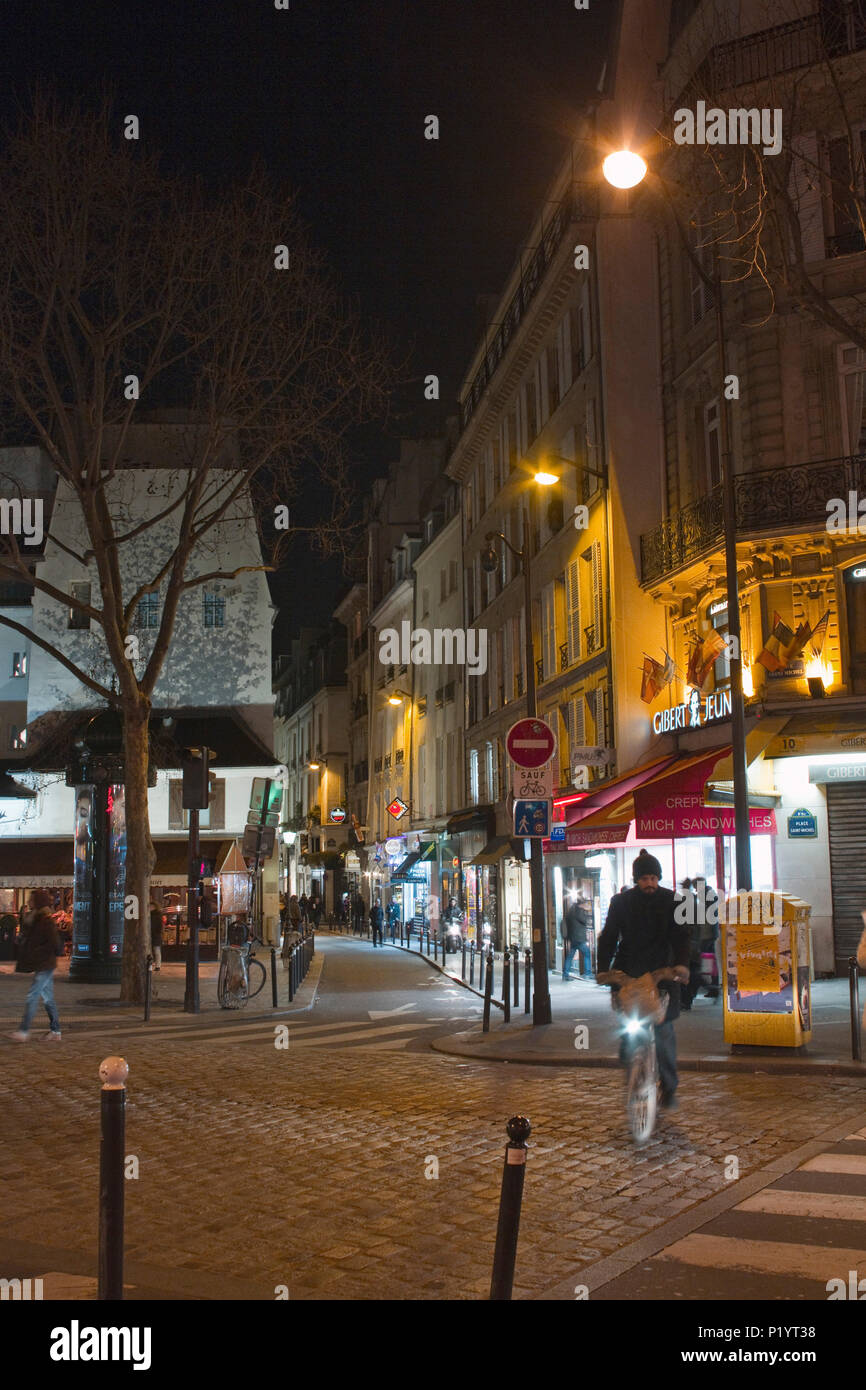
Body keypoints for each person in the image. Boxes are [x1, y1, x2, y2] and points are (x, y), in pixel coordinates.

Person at [597, 850, 690, 1110]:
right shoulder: (621, 902)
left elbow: (681, 936)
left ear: (658, 878)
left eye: (653, 878)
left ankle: (669, 1087)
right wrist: (603, 970)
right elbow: (608, 937)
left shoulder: (671, 900)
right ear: (636, 879)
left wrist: (680, 965)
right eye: (644, 878)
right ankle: (632, 1067)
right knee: (628, 1028)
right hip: (628, 974)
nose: (649, 883)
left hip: (663, 974)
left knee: (663, 1031)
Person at [9, 890, 63, 1043]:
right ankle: (55, 1030)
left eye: (31, 899)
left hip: (45, 963)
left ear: (37, 901)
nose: (28, 901)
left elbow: (53, 943)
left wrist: (36, 952)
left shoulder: (44, 919)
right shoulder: (36, 918)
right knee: (48, 999)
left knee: (32, 996)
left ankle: (24, 1030)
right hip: (44, 963)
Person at [561, 894, 592, 980]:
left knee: (570, 956)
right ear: (582, 904)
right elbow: (585, 921)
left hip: (572, 937)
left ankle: (565, 974)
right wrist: (586, 911)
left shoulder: (571, 910)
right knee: (587, 953)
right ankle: (587, 973)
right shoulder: (580, 911)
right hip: (579, 937)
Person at [149, 899, 163, 971]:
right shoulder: (149, 915)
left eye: (151, 906)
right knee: (151, 951)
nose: (150, 907)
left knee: (156, 950)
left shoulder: (157, 915)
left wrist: (157, 932)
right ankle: (151, 965)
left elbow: (160, 926)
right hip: (151, 934)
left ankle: (158, 965)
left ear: (155, 907)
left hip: (155, 935)